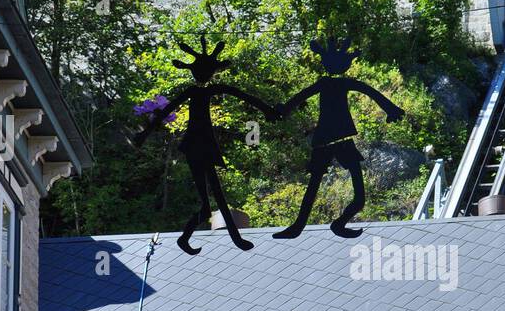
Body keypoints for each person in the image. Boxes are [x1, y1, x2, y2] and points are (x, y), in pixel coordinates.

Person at [133, 36, 277, 255]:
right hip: (199, 145)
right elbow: (242, 95)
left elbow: (241, 95)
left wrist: (267, 109)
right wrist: (144, 134)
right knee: (216, 194)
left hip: (196, 145)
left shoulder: (199, 91)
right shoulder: (202, 91)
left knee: (207, 205)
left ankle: (187, 238)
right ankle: (235, 238)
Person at [273, 38, 404, 240]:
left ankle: (323, 224)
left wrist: (283, 109)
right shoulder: (337, 83)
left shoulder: (328, 83)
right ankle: (311, 225)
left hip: (332, 140)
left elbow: (299, 98)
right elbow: (370, 91)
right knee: (342, 192)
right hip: (333, 141)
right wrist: (391, 109)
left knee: (323, 189)